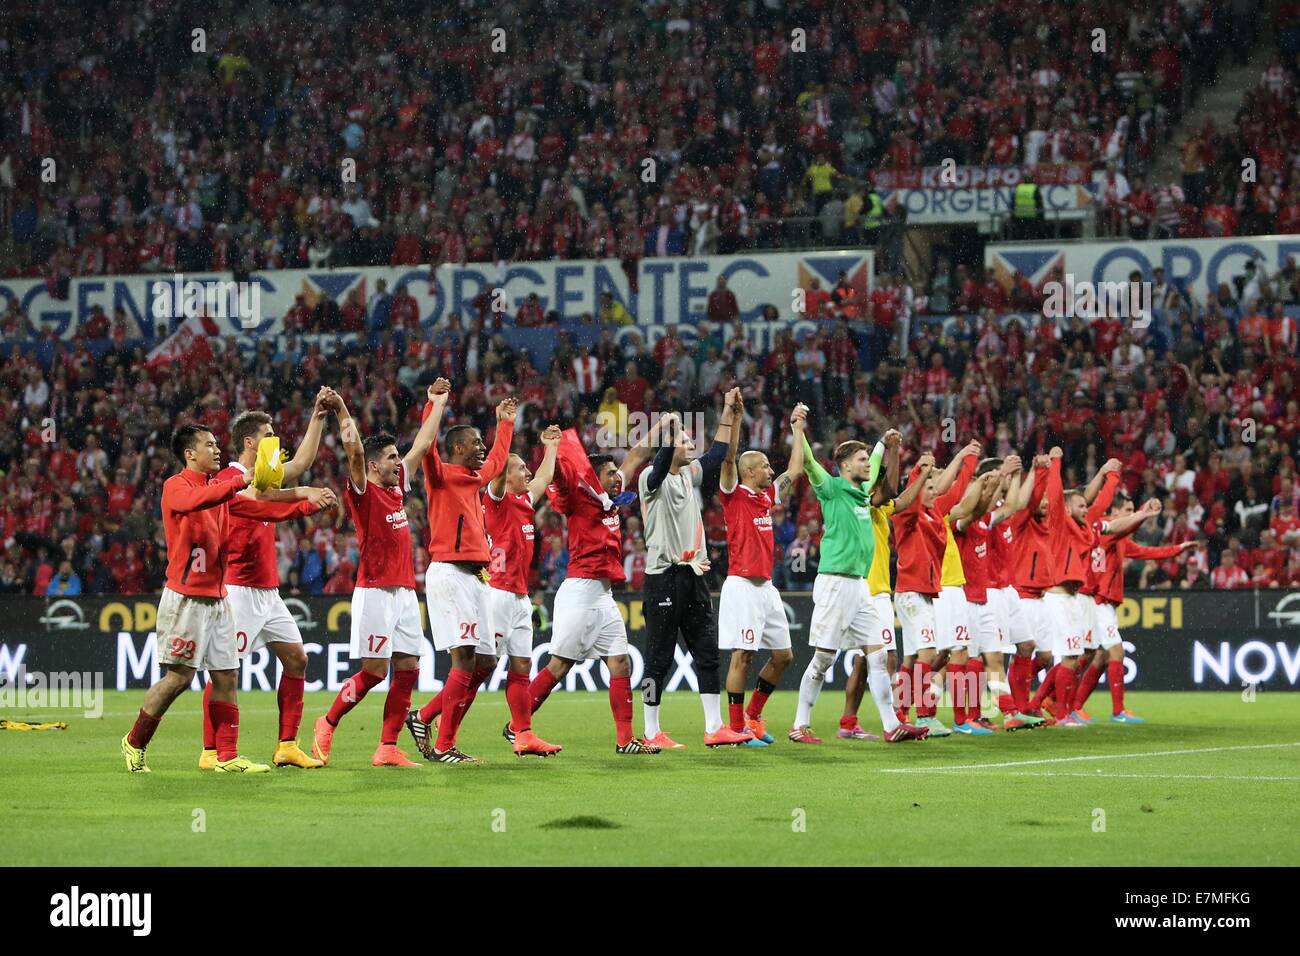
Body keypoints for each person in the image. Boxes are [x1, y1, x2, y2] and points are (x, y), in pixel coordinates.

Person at [121, 424, 329, 773]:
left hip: (218, 599)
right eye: (209, 445)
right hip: (186, 599)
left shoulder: (220, 490)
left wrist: (306, 507)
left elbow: (261, 511)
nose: (217, 450)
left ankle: (227, 757)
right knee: (179, 679)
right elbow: (195, 501)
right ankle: (134, 741)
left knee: (227, 675)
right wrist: (239, 480)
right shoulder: (177, 487)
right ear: (190, 454)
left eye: (217, 444)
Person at [198, 389, 339, 771]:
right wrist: (303, 498)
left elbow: (301, 465)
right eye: (268, 433)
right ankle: (212, 751)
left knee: (297, 659)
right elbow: (265, 500)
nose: (275, 439)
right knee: (225, 670)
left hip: (268, 592)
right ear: (249, 441)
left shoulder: (261, 475)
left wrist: (318, 415)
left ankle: (287, 746)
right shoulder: (229, 478)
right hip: (240, 590)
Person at [311, 381, 449, 768]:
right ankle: (328, 720)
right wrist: (340, 409)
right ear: (374, 466)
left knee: (409, 668)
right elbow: (353, 449)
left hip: (405, 592)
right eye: (391, 457)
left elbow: (422, 446)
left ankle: (387, 747)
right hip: (374, 591)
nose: (398, 461)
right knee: (374, 671)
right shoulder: (363, 491)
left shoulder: (397, 487)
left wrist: (436, 403)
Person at [523, 419, 669, 753]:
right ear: (594, 478)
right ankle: (519, 725)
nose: (618, 476)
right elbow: (559, 477)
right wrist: (553, 447)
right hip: (579, 590)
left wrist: (661, 425)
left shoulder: (611, 503)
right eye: (610, 473)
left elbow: (636, 456)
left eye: (618, 472)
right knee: (559, 665)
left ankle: (625, 740)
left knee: (621, 663)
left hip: (603, 594)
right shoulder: (580, 497)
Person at [404, 389, 518, 764]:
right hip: (449, 575)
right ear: (456, 448)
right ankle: (445, 746)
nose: (482, 448)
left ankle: (424, 717)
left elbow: (499, 461)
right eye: (475, 443)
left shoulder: (472, 478)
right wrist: (434, 404)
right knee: (465, 659)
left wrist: (505, 422)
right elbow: (427, 447)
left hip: (477, 579)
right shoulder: (440, 476)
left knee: (486, 661)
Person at [639, 392, 753, 748]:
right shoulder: (649, 479)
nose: (691, 445)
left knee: (706, 650)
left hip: (694, 576)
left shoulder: (689, 474)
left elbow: (718, 454)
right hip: (663, 578)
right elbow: (659, 465)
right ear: (669, 448)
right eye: (685, 441)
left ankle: (713, 727)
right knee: (658, 657)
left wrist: (728, 412)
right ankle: (650, 730)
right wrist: (669, 432)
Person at [717, 401, 808, 746]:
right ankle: (737, 728)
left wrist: (797, 429)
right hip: (741, 585)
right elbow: (729, 458)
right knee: (743, 655)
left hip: (766, 588)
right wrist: (736, 420)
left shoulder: (767, 497)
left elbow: (795, 471)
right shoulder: (733, 494)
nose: (773, 470)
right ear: (751, 471)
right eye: (766, 466)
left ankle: (753, 717)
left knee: (784, 655)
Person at [1078, 495, 1201, 723]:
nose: (1131, 514)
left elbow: (1149, 553)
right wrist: (1145, 511)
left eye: (1133, 509)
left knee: (1098, 656)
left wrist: (1178, 549)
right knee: (1114, 652)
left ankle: (1072, 706)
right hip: (1097, 601)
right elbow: (1129, 527)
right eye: (1127, 510)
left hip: (1104, 603)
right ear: (1113, 513)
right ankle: (1117, 711)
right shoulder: (1105, 531)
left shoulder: (1121, 539)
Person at [488, 424, 564, 757]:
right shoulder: (497, 499)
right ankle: (434, 722)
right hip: (497, 593)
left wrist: (551, 446)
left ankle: (524, 734)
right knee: (478, 668)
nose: (527, 472)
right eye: (520, 468)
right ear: (504, 476)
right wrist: (504, 426)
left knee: (521, 667)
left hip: (519, 596)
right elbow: (496, 467)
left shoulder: (523, 502)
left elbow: (545, 479)